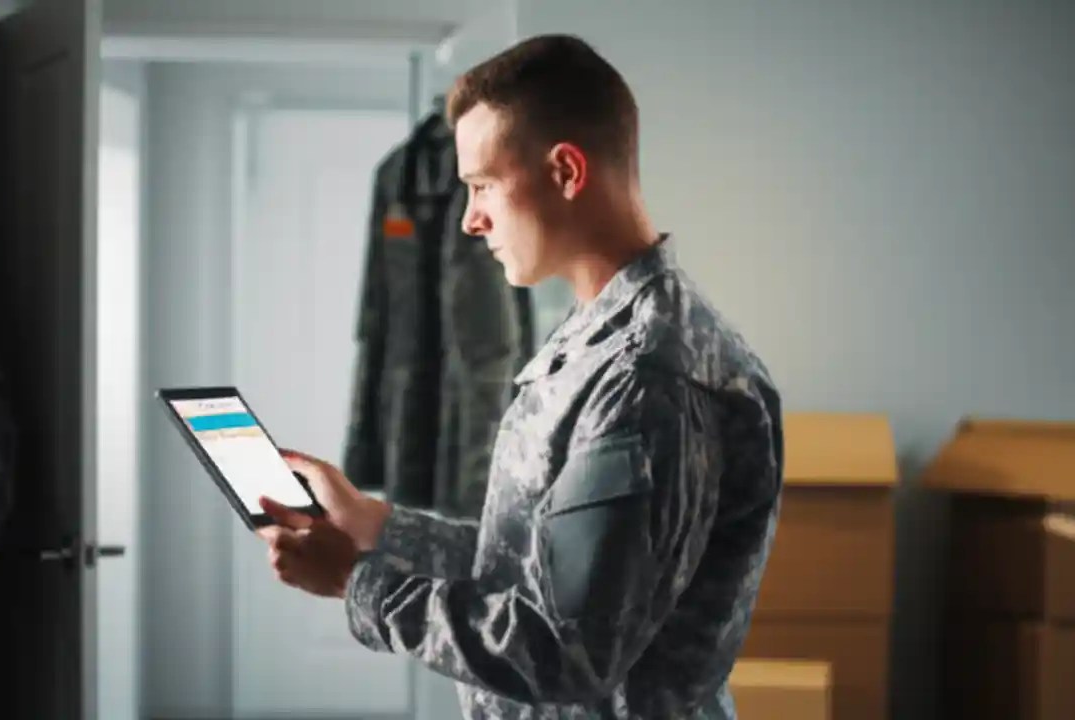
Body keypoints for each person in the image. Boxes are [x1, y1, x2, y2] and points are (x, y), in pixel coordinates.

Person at [257, 33, 784, 720]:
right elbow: (534, 571)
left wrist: (357, 584)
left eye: (481, 186)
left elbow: (564, 648)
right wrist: (377, 526)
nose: (471, 220)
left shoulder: (648, 377)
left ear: (566, 172)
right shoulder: (596, 337)